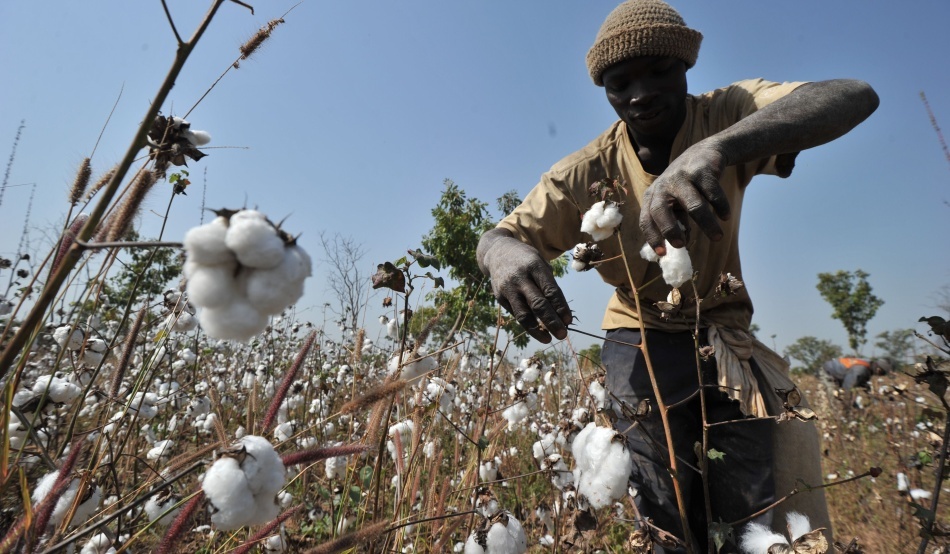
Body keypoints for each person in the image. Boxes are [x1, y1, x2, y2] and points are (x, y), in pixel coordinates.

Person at [475, 0, 878, 552]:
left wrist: (716, 149)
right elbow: (499, 237)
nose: (640, 94)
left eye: (659, 72)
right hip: (635, 342)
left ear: (686, 66)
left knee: (752, 518)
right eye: (621, 83)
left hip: (725, 341)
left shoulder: (728, 113)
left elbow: (853, 95)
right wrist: (503, 255)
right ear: (605, 90)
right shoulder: (586, 173)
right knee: (665, 519)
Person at [823, 356, 889, 390]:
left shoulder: (868, 363)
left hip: (837, 372)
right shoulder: (861, 370)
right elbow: (847, 386)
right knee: (833, 403)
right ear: (878, 370)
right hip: (828, 372)